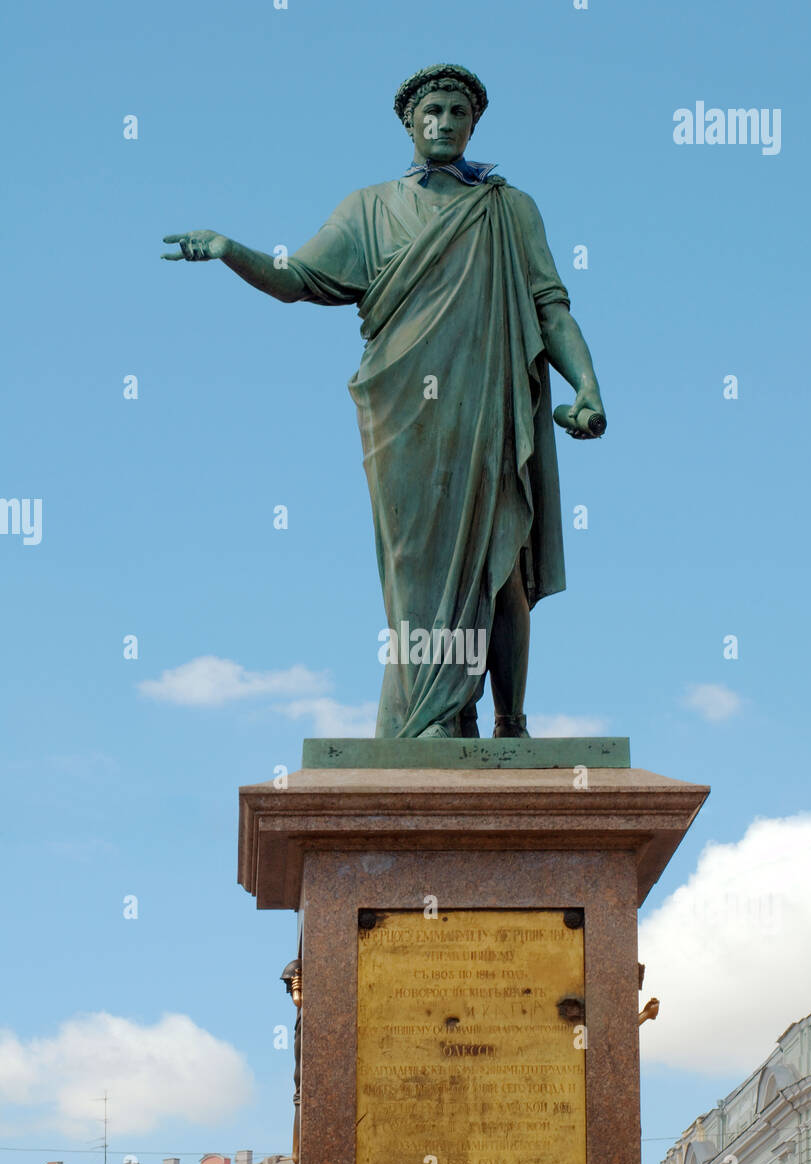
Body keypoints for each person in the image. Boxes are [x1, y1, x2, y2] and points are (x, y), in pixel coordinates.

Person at [163, 64, 605, 739]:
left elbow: (548, 308)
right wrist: (230, 250)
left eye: (457, 112)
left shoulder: (507, 209)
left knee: (500, 566)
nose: (444, 122)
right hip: (404, 415)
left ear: (473, 123)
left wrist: (588, 387)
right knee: (417, 573)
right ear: (408, 122)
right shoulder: (368, 208)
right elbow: (297, 278)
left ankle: (509, 723)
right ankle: (437, 717)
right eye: (431, 111)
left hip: (486, 403)